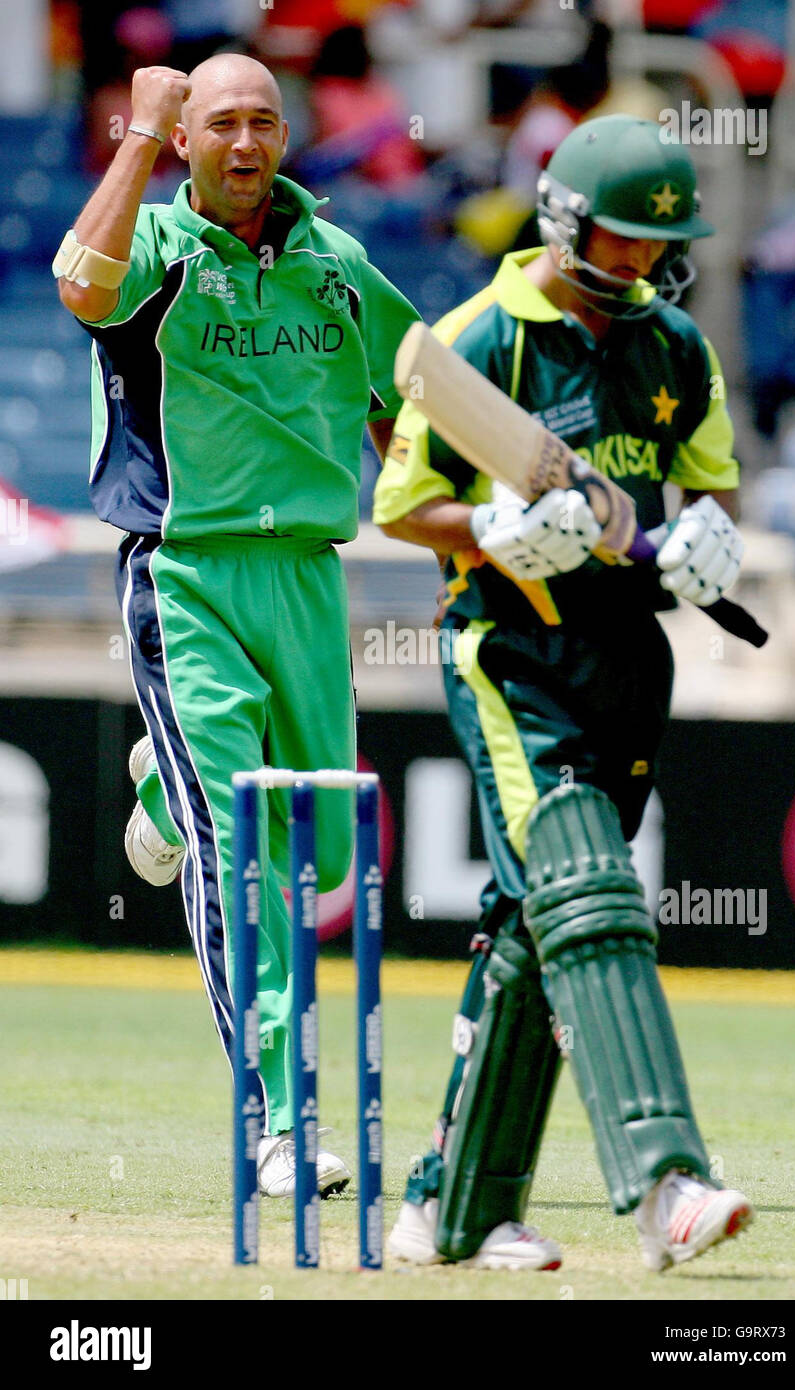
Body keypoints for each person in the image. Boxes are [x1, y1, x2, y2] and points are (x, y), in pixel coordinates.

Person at [373, 115, 754, 1271]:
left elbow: (708, 488)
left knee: (538, 926)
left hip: (630, 654)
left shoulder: (676, 346)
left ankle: (450, 1206)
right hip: (509, 652)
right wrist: (487, 531)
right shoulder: (474, 339)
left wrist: (703, 544)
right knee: (587, 890)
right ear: (563, 218)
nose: (639, 262)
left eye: (656, 244)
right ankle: (663, 1181)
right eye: (622, 238)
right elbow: (400, 506)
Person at [54, 54, 419, 1200]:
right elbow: (77, 286)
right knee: (238, 846)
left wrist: (462, 530)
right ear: (186, 139)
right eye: (220, 125)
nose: (247, 142)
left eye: (265, 120)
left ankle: (161, 787)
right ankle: (276, 1118)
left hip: (307, 578)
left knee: (314, 847)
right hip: (187, 572)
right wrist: (135, 134)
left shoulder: (336, 264)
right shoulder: (157, 254)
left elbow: (406, 402)